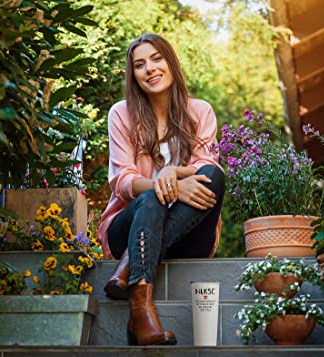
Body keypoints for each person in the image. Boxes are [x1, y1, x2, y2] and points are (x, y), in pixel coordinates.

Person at [97, 33, 225, 346]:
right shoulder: (121, 114)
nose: (150, 69)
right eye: (139, 64)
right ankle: (140, 309)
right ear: (134, 75)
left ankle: (130, 265)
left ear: (171, 62)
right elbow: (122, 180)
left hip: (187, 235)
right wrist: (164, 187)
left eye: (156, 58)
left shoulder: (200, 112)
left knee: (214, 176)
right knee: (150, 198)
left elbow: (206, 165)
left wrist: (174, 173)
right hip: (126, 230)